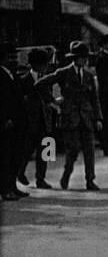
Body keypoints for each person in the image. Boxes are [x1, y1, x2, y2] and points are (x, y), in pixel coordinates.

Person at [37, 41, 103, 191]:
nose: (85, 60)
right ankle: (66, 175)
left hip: (86, 118)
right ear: (74, 58)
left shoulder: (88, 75)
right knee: (72, 150)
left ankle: (90, 180)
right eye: (82, 57)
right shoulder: (63, 73)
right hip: (70, 118)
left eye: (86, 57)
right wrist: (53, 101)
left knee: (89, 151)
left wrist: (98, 118)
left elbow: (94, 98)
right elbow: (40, 84)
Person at [17, 47, 54, 190]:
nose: (45, 67)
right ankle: (20, 172)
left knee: (45, 150)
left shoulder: (47, 79)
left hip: (45, 119)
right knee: (26, 150)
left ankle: (41, 178)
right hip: (30, 122)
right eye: (43, 64)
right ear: (36, 64)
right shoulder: (24, 80)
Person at [0, 41, 29, 199]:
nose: (15, 60)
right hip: (7, 123)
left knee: (15, 156)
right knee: (6, 158)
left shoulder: (13, 75)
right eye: (11, 57)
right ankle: (5, 190)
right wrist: (6, 119)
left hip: (18, 122)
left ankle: (12, 186)